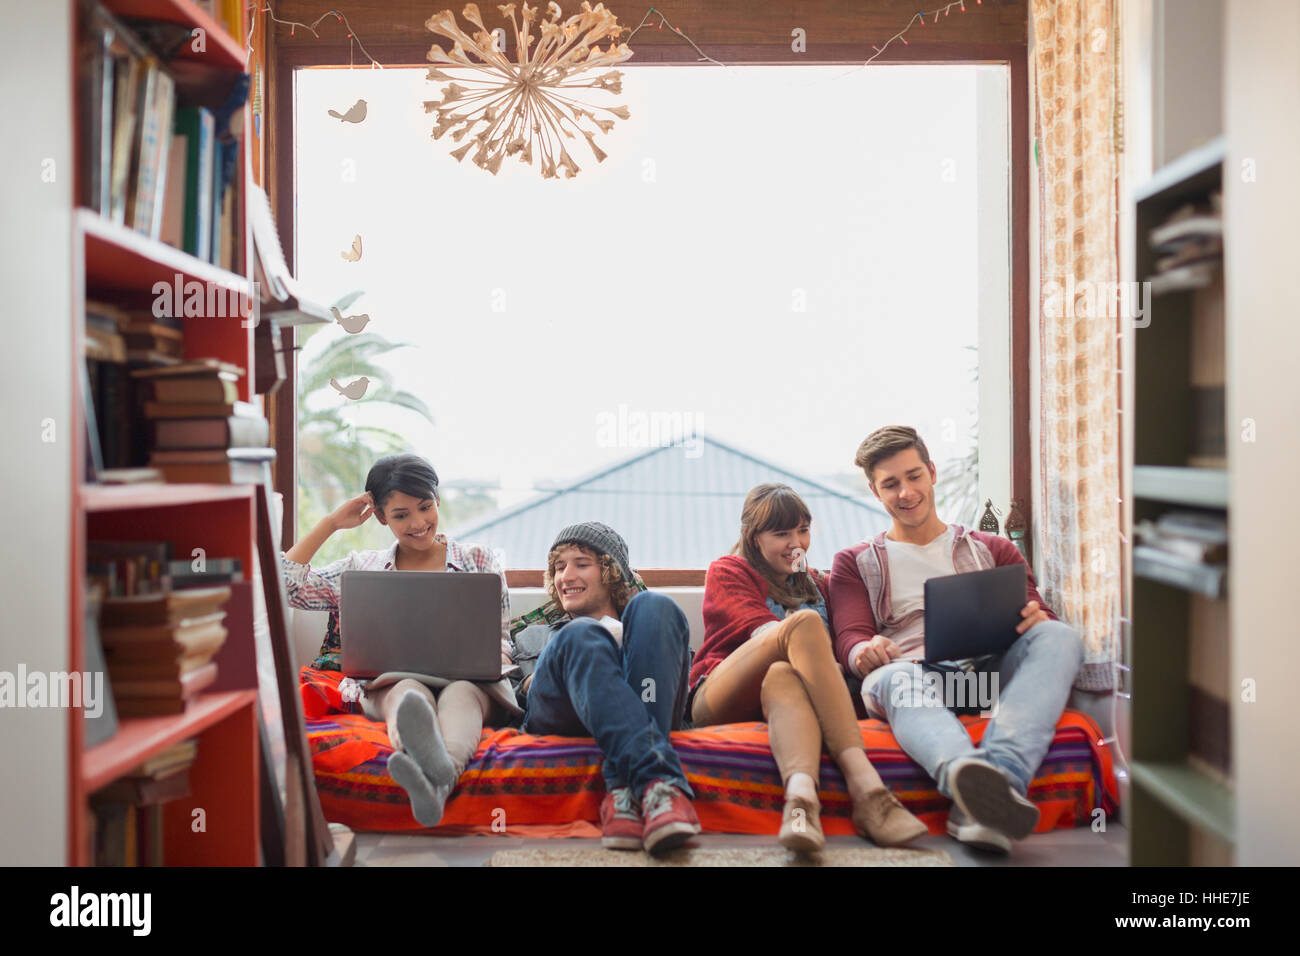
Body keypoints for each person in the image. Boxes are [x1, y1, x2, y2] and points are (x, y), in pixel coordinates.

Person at [828, 426, 1085, 853]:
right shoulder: (855, 562)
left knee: (1059, 636)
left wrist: (1038, 619)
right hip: (911, 681)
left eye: (913, 476)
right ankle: (972, 782)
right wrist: (864, 651)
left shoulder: (995, 549)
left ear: (931, 473)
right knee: (893, 678)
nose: (906, 492)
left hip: (983, 680)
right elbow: (850, 637)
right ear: (876, 492)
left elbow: (1037, 615)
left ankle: (995, 781)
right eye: (891, 484)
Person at [281, 453, 519, 827]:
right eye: (401, 515)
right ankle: (434, 771)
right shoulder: (361, 568)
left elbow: (502, 640)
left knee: (460, 691)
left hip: (470, 683)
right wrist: (329, 524)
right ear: (379, 517)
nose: (418, 523)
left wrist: (481, 657)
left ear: (437, 500)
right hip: (392, 680)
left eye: (425, 507)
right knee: (406, 693)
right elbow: (283, 584)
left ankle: (438, 782)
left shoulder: (478, 560)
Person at [690, 483, 928, 852]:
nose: (795, 542)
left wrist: (871, 646)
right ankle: (867, 786)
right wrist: (823, 658)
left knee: (783, 674)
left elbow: (852, 640)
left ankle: (801, 805)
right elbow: (768, 633)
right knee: (802, 627)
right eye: (781, 533)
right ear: (754, 539)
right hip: (719, 695)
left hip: (784, 695)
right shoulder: (729, 570)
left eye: (802, 529)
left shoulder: (820, 584)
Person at [513, 522, 700, 854]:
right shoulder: (532, 636)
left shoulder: (645, 626)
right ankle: (661, 783)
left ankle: (625, 794)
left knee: (656, 606)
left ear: (612, 572)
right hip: (561, 712)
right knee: (581, 633)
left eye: (581, 564)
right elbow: (516, 699)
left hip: (646, 693)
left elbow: (670, 687)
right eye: (559, 567)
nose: (565, 577)